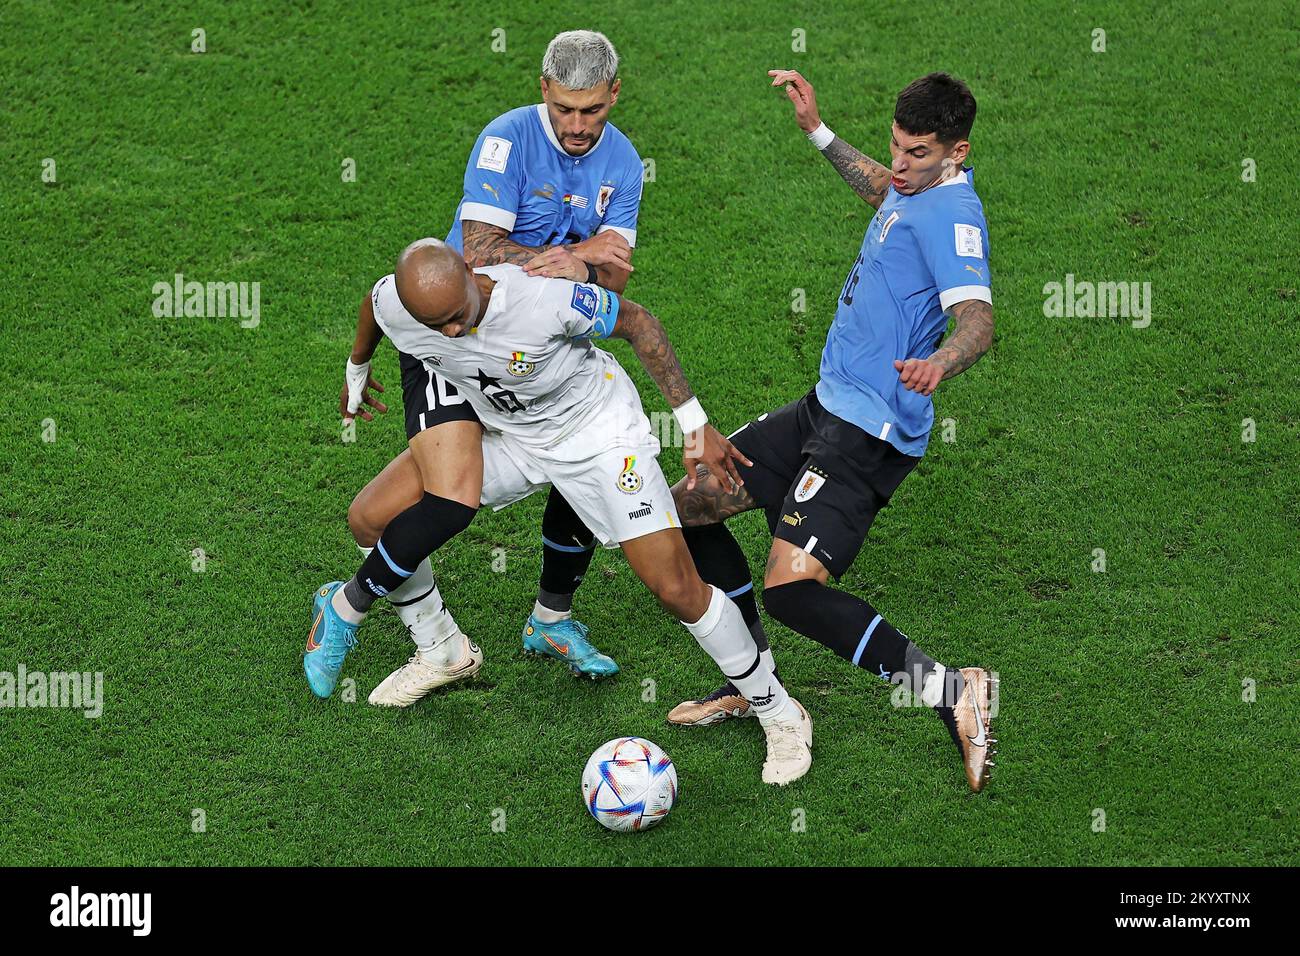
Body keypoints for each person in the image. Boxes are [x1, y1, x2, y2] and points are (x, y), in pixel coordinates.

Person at [312, 239, 814, 785]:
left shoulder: (543, 301)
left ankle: (779, 712)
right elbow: (373, 306)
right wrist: (356, 369)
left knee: (676, 589)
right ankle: (441, 649)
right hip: (514, 437)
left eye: (457, 316)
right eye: (437, 326)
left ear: (469, 273)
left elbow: (639, 323)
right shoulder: (406, 309)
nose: (452, 333)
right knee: (371, 516)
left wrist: (693, 423)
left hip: (599, 437)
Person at [666, 70, 999, 792]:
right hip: (824, 406)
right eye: (896, 146)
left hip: (868, 433)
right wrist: (817, 130)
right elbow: (882, 190)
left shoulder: (953, 219)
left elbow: (978, 316)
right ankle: (752, 681)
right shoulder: (911, 190)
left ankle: (950, 688)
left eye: (917, 154)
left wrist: (943, 361)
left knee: (790, 588)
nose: (899, 165)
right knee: (688, 504)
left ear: (958, 152)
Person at [325, 31, 645, 705]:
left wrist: (578, 265)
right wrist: (581, 255)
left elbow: (616, 278)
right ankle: (433, 644)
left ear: (614, 94)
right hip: (459, 338)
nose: (579, 126)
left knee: (581, 452)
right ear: (544, 91)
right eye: (566, 110)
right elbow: (479, 254)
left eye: (592, 110)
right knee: (442, 500)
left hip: (539, 338)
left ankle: (549, 622)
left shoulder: (626, 162)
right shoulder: (505, 141)